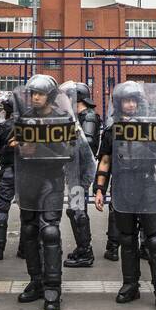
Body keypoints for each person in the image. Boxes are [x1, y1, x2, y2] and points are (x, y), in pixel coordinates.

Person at [92, 81, 156, 310]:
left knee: (155, 239)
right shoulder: (111, 130)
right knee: (127, 240)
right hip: (122, 185)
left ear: (139, 103)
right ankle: (130, 285)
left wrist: (148, 138)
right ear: (119, 104)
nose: (129, 104)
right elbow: (105, 160)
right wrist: (99, 189)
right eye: (125, 101)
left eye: (133, 100)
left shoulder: (150, 127)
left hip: (146, 183)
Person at [13, 74, 84, 310]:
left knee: (50, 231)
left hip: (51, 179)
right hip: (28, 179)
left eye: (40, 94)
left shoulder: (63, 118)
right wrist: (18, 146)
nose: (35, 97)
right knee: (29, 230)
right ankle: (36, 281)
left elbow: (72, 149)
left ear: (50, 96)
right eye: (33, 93)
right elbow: (4, 148)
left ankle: (53, 287)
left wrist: (41, 146)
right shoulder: (24, 119)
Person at [62, 81, 100, 268]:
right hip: (74, 169)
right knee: (74, 210)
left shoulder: (89, 116)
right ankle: (82, 247)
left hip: (81, 171)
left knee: (78, 211)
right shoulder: (78, 116)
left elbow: (89, 143)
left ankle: (86, 251)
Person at [0, 92, 18, 260]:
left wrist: (2, 148)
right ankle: (24, 249)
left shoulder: (1, 127)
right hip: (26, 173)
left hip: (7, 170)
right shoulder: (29, 125)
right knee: (28, 212)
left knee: (1, 209)